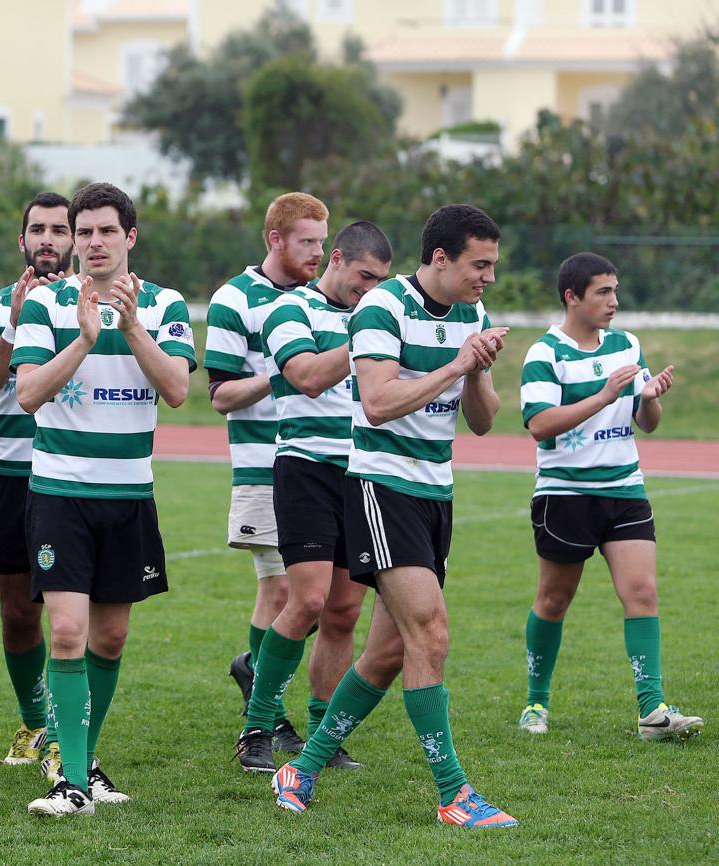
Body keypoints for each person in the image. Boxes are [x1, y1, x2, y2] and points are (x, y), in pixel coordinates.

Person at [271, 204, 518, 828]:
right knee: (431, 634)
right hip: (383, 488)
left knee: (386, 654)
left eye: (492, 265)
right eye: (479, 264)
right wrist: (457, 364)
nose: (488, 276)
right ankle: (453, 792)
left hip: (436, 493)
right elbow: (377, 403)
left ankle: (302, 768)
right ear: (440, 258)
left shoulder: (472, 314)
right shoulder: (382, 309)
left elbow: (484, 422)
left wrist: (480, 369)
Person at [12, 182, 196, 817]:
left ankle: (84, 759)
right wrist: (85, 339)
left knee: (110, 638)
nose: (92, 243)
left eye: (105, 232)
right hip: (59, 492)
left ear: (130, 238)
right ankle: (67, 779)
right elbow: (29, 393)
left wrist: (132, 326)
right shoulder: (46, 305)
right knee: (67, 632)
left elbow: (176, 390)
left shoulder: (167, 304)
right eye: (83, 232)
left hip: (129, 494)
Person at [517, 252, 703, 741]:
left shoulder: (627, 345)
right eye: (602, 292)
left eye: (615, 291)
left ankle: (652, 710)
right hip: (566, 496)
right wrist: (602, 395)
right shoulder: (545, 353)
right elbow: (539, 425)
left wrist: (648, 397)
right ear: (572, 297)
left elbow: (648, 424)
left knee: (641, 593)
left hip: (625, 489)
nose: (613, 302)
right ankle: (536, 702)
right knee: (554, 600)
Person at [235, 221, 392, 773]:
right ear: (338, 260)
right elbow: (305, 377)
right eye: (364, 277)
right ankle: (257, 724)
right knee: (306, 601)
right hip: (305, 469)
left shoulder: (380, 314)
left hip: (364, 473)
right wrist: (366, 338)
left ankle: (324, 734)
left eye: (381, 283)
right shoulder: (290, 309)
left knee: (345, 612)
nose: (370, 290)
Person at [205, 191, 328, 756]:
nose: (318, 254)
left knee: (313, 599)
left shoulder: (322, 300)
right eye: (307, 242)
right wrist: (281, 374)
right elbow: (220, 394)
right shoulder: (235, 298)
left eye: (323, 243)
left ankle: (255, 670)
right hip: (260, 460)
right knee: (280, 591)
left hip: (317, 463)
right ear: (274, 239)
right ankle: (267, 716)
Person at [0, 192, 74, 771]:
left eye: (60, 229)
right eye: (39, 229)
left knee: (70, 613)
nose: (49, 239)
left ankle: (62, 733)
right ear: (22, 240)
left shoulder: (93, 302)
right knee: (17, 612)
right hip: (14, 474)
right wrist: (13, 323)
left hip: (78, 474)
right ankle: (34, 723)